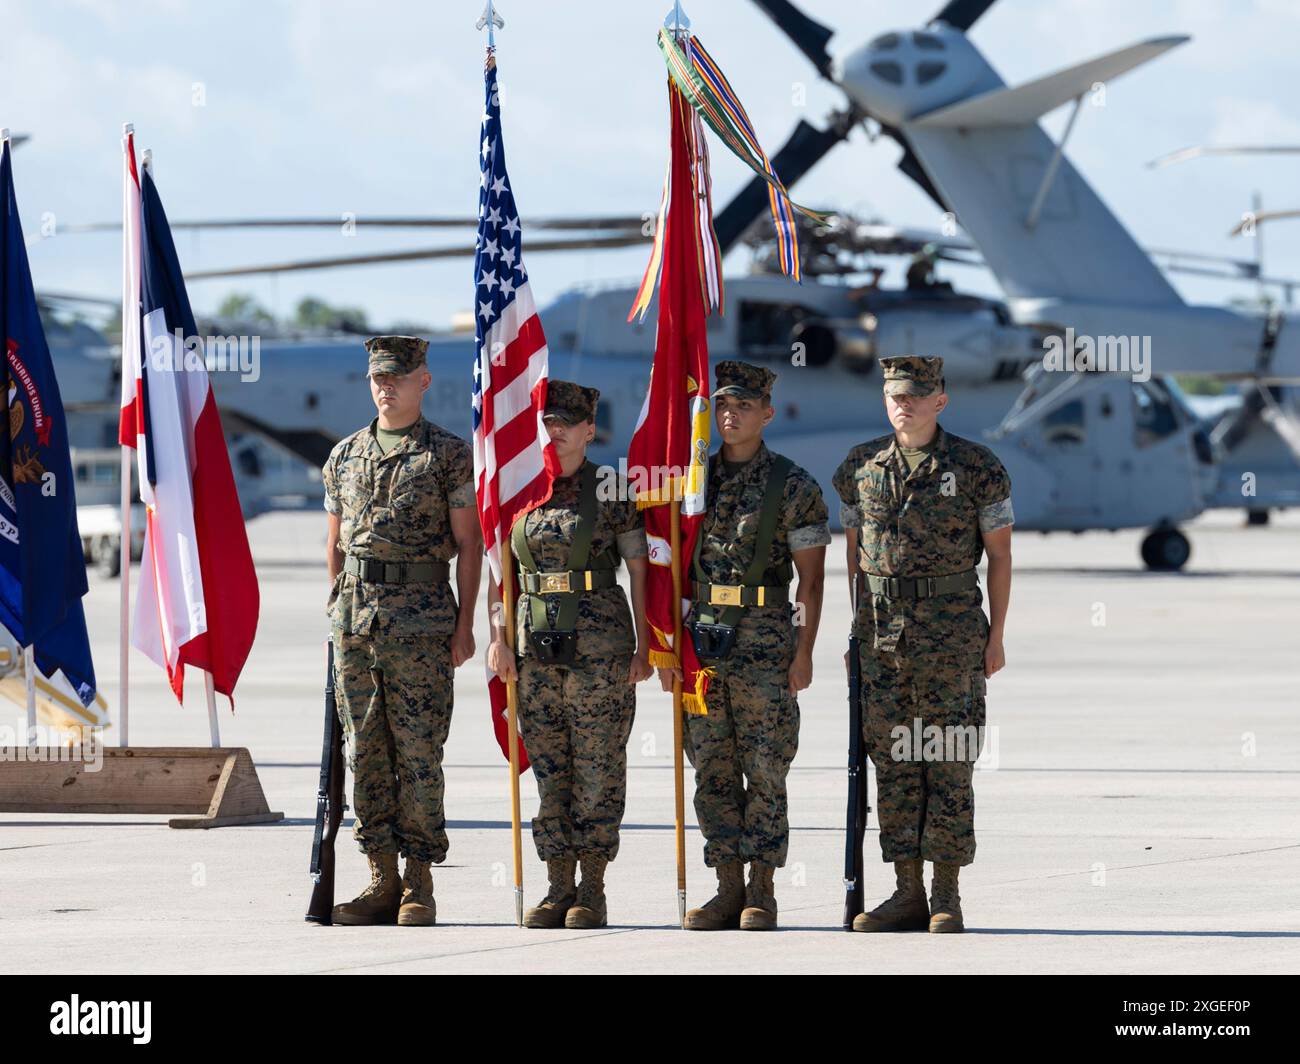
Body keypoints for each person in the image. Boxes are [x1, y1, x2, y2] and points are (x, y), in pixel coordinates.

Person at [833, 355, 1013, 934]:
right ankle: (906, 890)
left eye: (916, 394)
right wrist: (856, 630)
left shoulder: (978, 466)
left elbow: (1002, 557)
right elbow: (855, 558)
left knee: (948, 758)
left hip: (952, 634)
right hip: (882, 639)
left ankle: (946, 894)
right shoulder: (860, 467)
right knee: (893, 762)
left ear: (940, 399)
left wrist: (997, 637)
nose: (903, 404)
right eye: (894, 395)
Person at [660, 360, 830, 932]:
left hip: (764, 640)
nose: (731, 417)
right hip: (703, 643)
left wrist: (803, 650)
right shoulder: (690, 482)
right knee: (711, 766)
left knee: (766, 768)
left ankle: (762, 889)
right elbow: (668, 565)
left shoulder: (794, 485)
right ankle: (726, 886)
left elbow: (810, 579)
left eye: (744, 407)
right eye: (724, 407)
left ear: (767, 414)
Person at [322, 335, 482, 927]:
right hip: (356, 626)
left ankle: (419, 882)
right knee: (365, 753)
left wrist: (465, 624)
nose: (386, 387)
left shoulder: (447, 454)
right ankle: (380, 879)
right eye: (377, 379)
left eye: (398, 377)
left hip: (422, 624)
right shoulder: (343, 456)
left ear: (424, 381)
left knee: (418, 754)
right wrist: (335, 609)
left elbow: (470, 546)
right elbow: (336, 544)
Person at [487, 380, 653, 929]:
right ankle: (557, 885)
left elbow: (639, 567)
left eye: (566, 424)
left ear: (588, 429)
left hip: (601, 651)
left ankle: (593, 888)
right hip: (536, 650)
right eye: (546, 423)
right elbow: (501, 574)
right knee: (551, 769)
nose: (554, 433)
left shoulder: (610, 487)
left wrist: (645, 644)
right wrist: (499, 637)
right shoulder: (517, 487)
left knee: (599, 768)